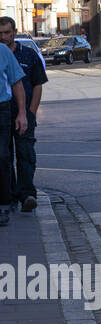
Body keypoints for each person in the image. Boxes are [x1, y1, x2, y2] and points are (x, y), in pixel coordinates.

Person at [0, 17, 45, 213]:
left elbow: (37, 85)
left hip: (24, 113)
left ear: (15, 32)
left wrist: (31, 112)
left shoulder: (28, 55)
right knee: (4, 156)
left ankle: (27, 194)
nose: (3, 37)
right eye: (0, 33)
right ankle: (8, 196)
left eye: (7, 32)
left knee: (25, 154)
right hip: (4, 114)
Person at [0, 28, 28, 226]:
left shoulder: (2, 51)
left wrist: (22, 113)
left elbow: (17, 83)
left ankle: (3, 205)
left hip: (1, 111)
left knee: (2, 156)